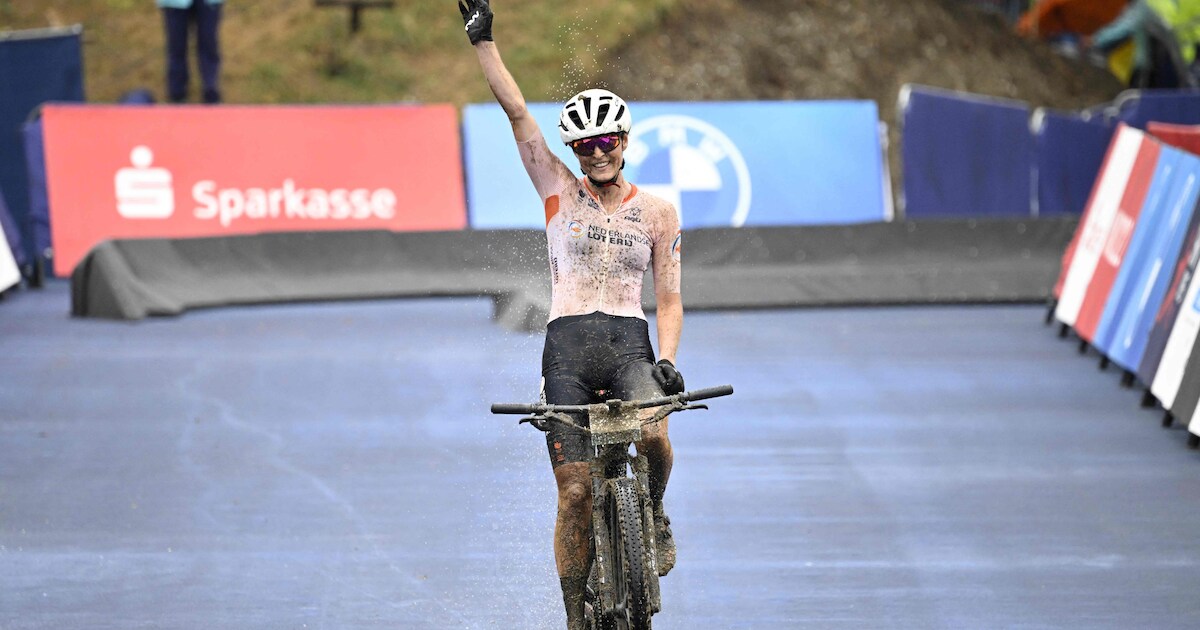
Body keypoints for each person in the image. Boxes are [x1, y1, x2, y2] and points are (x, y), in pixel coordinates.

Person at [458, 1, 685, 627]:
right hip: (568, 350)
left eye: (606, 142)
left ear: (624, 141)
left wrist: (666, 360)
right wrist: (484, 43)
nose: (596, 154)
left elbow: (668, 298)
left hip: (631, 341)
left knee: (657, 440)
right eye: (584, 145)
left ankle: (656, 515)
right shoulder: (557, 188)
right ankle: (573, 613)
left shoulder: (660, 213)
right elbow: (518, 112)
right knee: (576, 494)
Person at [157, 0, 225, 104]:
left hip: (208, 3)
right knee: (176, 47)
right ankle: (177, 96)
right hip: (175, 3)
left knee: (209, 43)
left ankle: (211, 92)